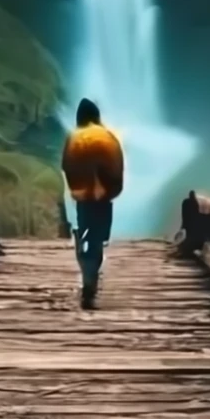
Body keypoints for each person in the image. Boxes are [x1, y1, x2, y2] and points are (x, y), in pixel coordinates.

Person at [61, 98, 124, 309]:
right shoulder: (109, 137)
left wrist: (75, 186)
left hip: (82, 194)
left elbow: (65, 165)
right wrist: (112, 188)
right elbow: (118, 165)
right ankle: (91, 274)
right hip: (104, 195)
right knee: (98, 237)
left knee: (87, 230)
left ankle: (83, 254)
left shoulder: (73, 137)